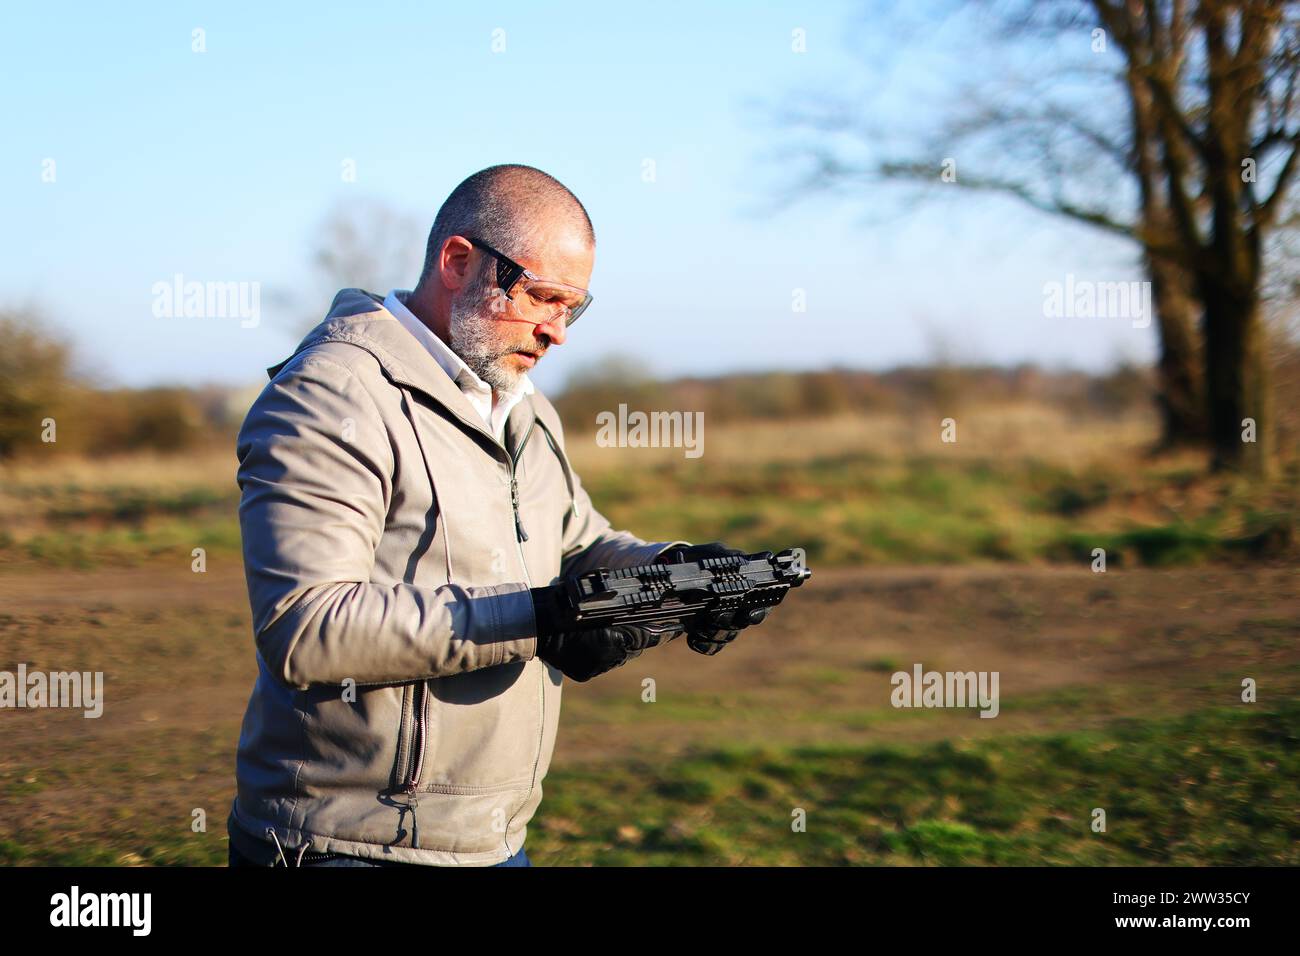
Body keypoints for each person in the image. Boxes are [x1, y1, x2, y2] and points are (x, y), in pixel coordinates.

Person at [225, 164, 769, 868]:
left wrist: (677, 574)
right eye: (542, 297)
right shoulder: (333, 395)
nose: (557, 333)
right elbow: (307, 628)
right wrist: (546, 618)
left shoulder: (522, 404)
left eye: (573, 308)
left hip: (494, 841)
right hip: (349, 845)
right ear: (459, 262)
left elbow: (577, 547)